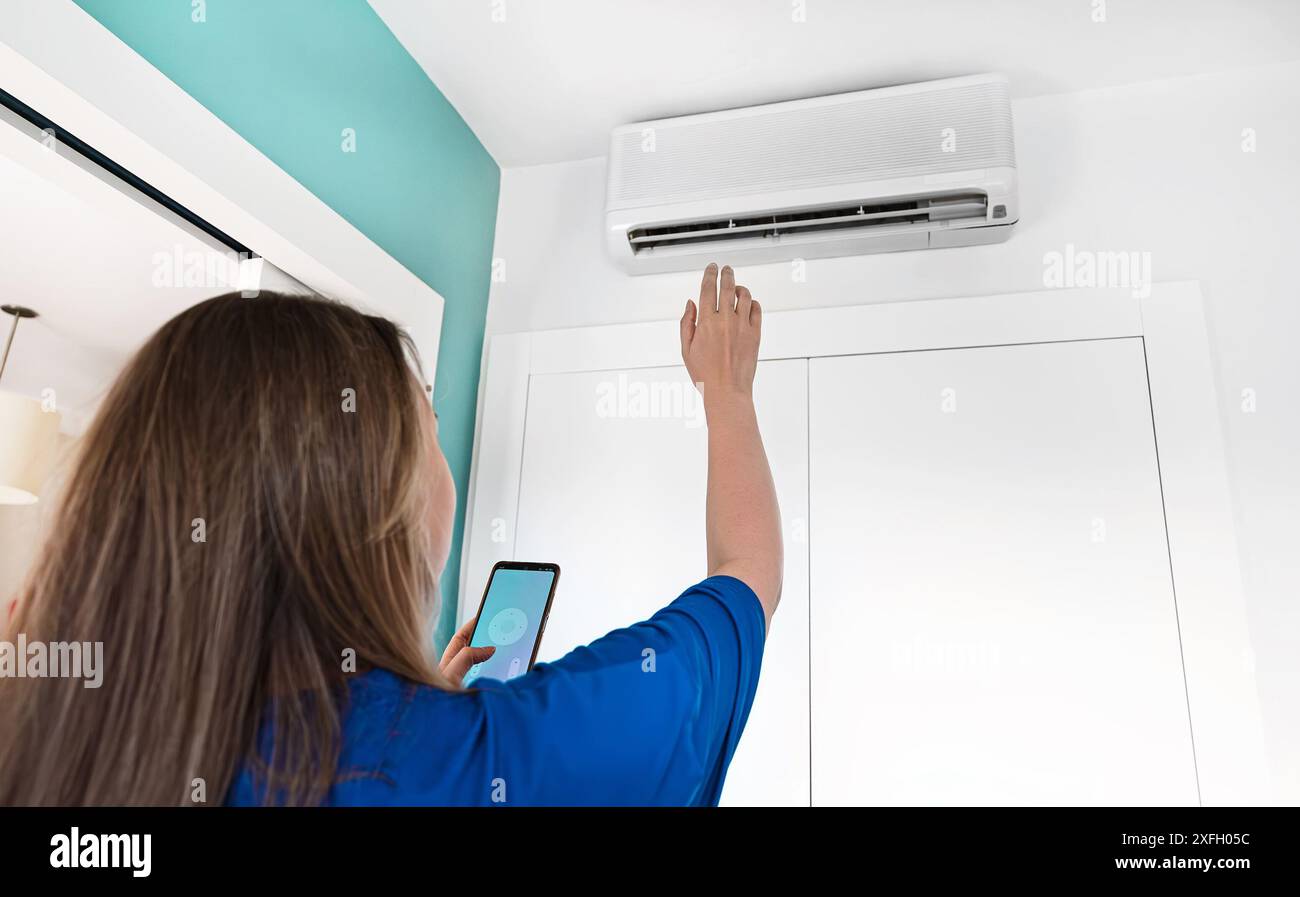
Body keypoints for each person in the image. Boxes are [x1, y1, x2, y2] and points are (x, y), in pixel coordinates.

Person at [0, 263, 782, 806]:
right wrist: (728, 389)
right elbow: (747, 577)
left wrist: (411, 704)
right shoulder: (488, 762)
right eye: (431, 430)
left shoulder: (55, 735)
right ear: (381, 509)